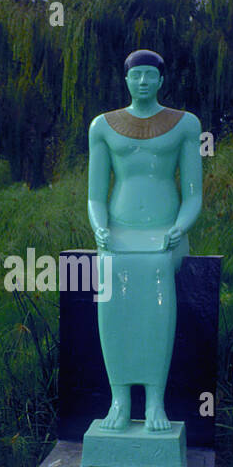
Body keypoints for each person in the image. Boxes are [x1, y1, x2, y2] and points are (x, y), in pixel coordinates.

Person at [87, 50, 202, 432]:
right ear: (126, 79)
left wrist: (180, 227)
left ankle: (155, 399)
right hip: (118, 231)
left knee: (157, 289)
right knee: (111, 294)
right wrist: (100, 227)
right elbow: (94, 195)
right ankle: (119, 398)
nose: (143, 82)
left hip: (165, 233)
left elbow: (193, 195)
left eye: (150, 75)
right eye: (136, 75)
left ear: (161, 79)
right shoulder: (102, 126)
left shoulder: (185, 125)